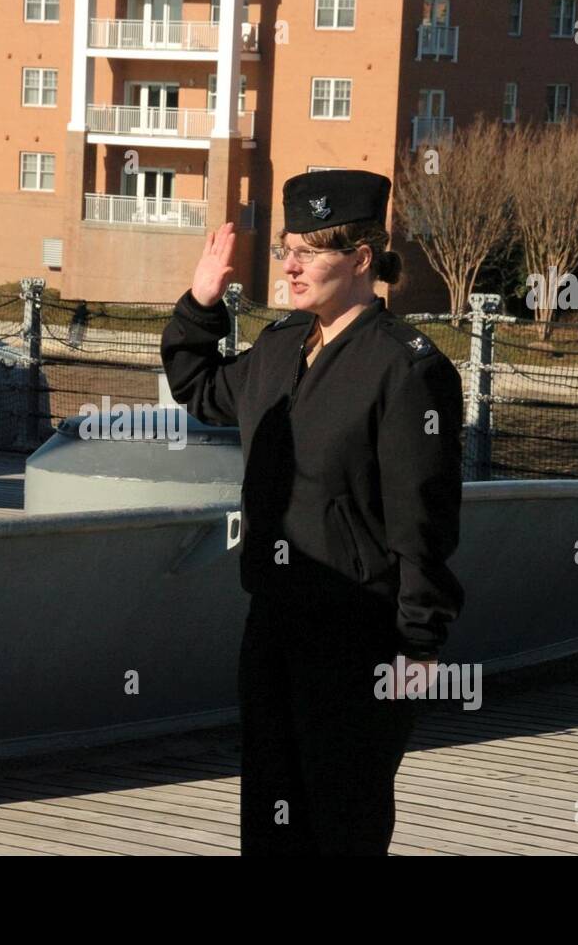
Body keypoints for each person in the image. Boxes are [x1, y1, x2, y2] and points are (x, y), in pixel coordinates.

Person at [160, 169, 465, 855]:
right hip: (272, 629)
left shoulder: (407, 370)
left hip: (359, 641)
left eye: (310, 251)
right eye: (286, 248)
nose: (290, 266)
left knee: (340, 828)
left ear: (362, 259)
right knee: (269, 827)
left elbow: (425, 522)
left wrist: (418, 646)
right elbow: (200, 386)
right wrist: (201, 303)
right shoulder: (278, 349)